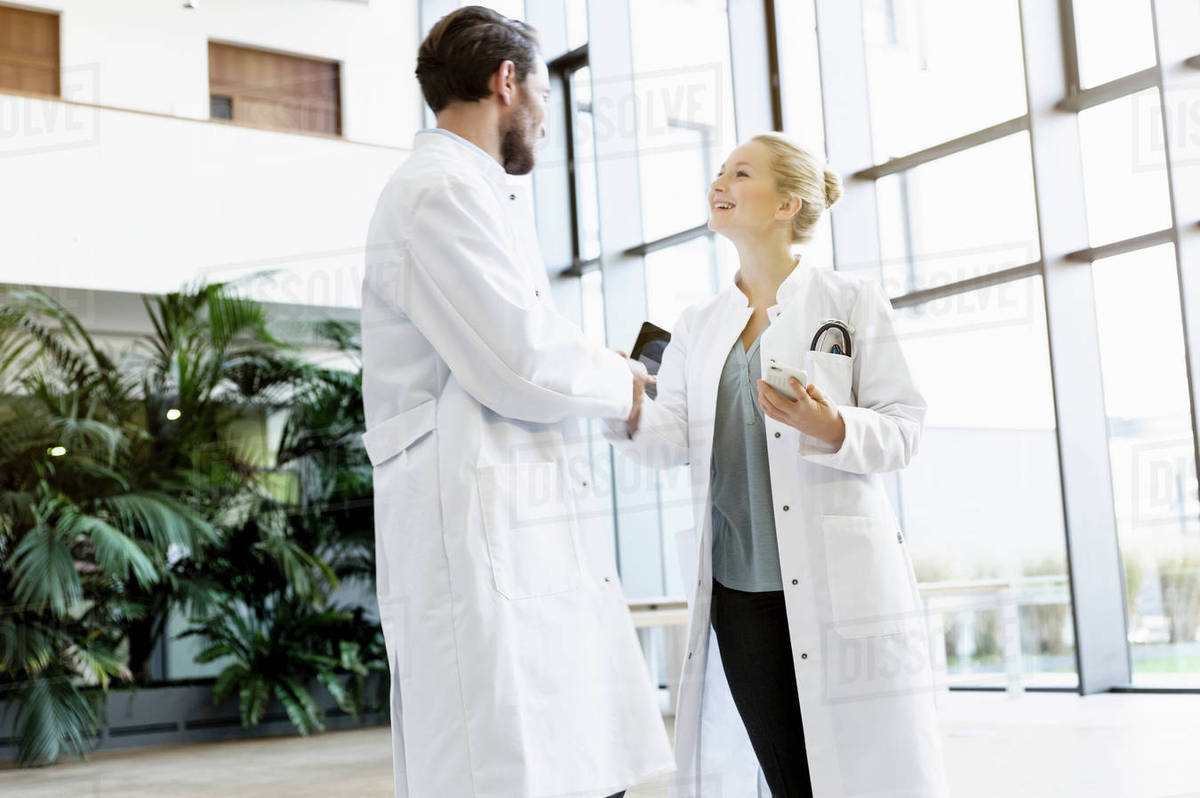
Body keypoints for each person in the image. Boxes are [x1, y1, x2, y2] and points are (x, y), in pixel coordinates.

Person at [360, 7, 672, 797]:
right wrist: (618, 378)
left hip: (516, 530)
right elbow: (518, 361)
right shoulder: (436, 194)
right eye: (541, 91)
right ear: (507, 82)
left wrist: (600, 378)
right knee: (505, 759)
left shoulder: (474, 195)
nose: (543, 117)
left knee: (570, 754)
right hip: (473, 540)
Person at [603, 132, 949, 797]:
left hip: (837, 579)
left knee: (864, 770)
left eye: (740, 172)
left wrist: (834, 425)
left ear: (787, 202)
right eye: (719, 172)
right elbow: (670, 441)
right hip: (740, 590)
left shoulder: (850, 301)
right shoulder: (700, 324)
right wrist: (624, 405)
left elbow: (904, 429)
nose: (719, 184)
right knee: (788, 772)